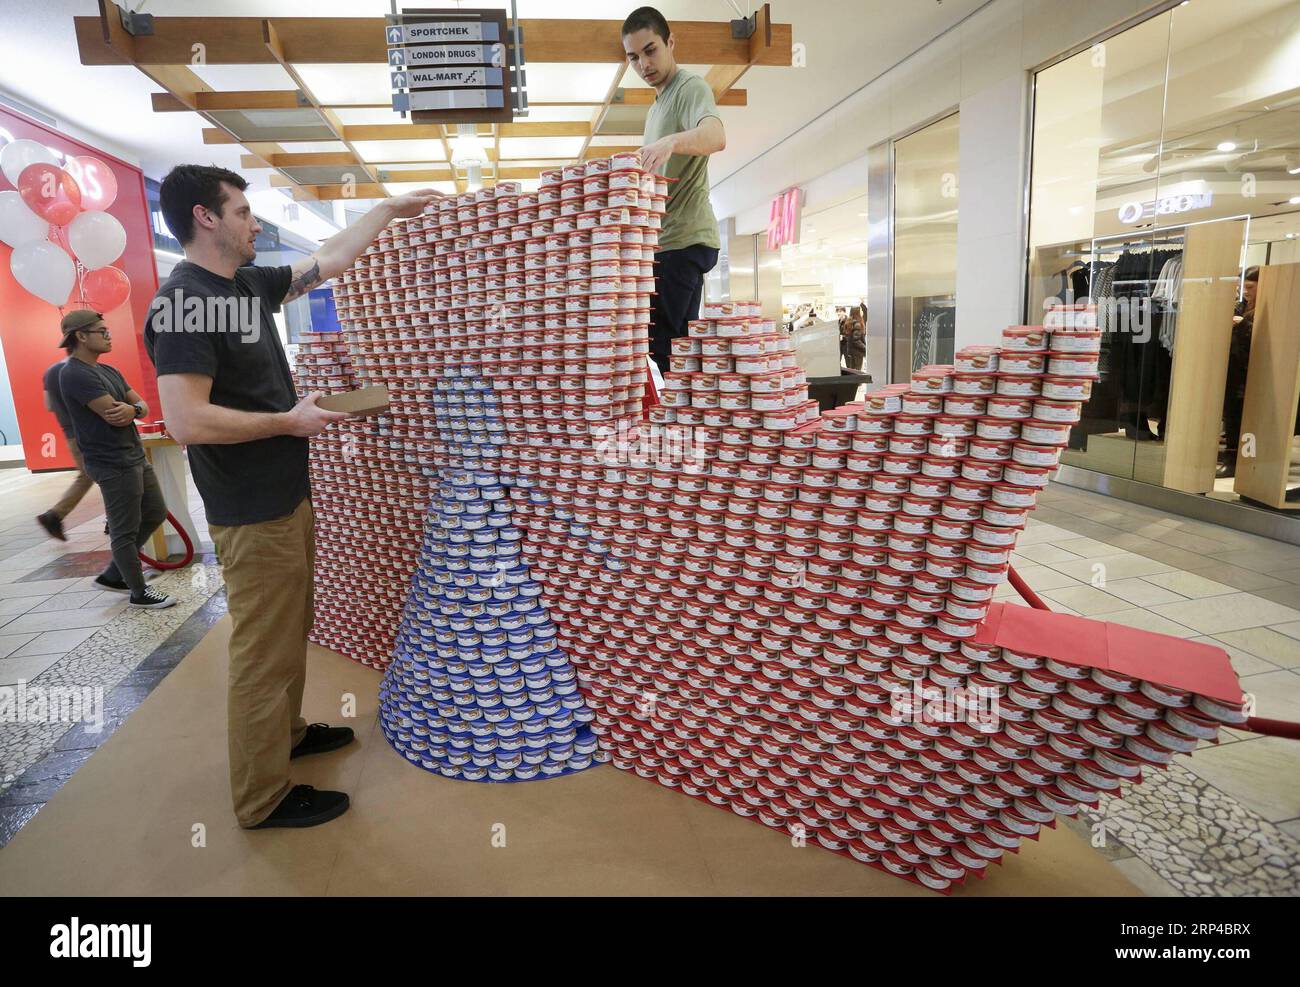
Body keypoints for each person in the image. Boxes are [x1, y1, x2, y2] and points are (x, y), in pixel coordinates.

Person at [145, 163, 438, 830]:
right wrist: (289, 420)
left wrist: (389, 210)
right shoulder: (184, 302)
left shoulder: (244, 284)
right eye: (243, 210)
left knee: (289, 631)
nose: (255, 222)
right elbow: (186, 421)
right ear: (205, 217)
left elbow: (327, 260)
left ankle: (289, 734)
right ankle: (262, 796)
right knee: (262, 650)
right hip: (250, 509)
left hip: (284, 495)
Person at [623, 6, 726, 373]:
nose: (643, 64)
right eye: (633, 57)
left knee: (663, 352)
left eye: (650, 50)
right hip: (667, 243)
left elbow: (716, 136)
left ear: (670, 42)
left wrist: (670, 142)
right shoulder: (656, 106)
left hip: (682, 242)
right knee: (666, 349)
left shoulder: (689, 88)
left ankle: (666, 429)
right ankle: (669, 426)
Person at [56, 310, 175, 610]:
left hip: (132, 455)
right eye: (102, 331)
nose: (109, 335)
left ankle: (114, 574)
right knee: (125, 529)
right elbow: (116, 414)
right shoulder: (74, 373)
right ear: (81, 336)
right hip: (111, 462)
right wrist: (133, 410)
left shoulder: (109, 371)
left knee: (155, 511)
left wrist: (134, 410)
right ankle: (137, 591)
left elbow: (140, 407)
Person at [36, 352, 94, 542]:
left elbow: (49, 406)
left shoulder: (50, 371)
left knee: (88, 476)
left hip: (70, 433)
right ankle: (54, 515)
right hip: (89, 432)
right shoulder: (81, 371)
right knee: (99, 475)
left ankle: (55, 516)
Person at [1220, 265, 1259, 478]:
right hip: (1234, 370)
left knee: (1239, 417)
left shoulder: (1261, 312)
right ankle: (1231, 457)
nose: (1246, 291)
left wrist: (1244, 325)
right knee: (1232, 415)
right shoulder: (1242, 307)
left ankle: (1236, 461)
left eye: (1251, 287)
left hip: (1249, 373)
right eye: (1244, 286)